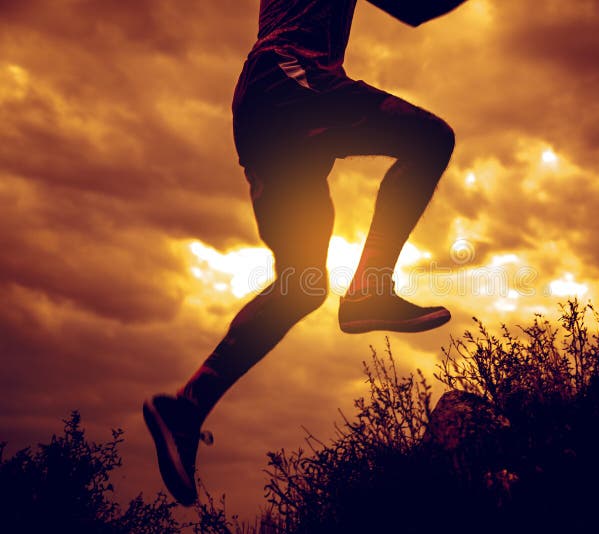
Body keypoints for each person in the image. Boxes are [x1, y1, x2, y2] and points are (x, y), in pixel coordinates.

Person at [143, 0, 467, 505]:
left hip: (265, 108)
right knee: (429, 138)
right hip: (288, 77)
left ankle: (185, 409)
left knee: (302, 286)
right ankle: (369, 290)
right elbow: (417, 7)